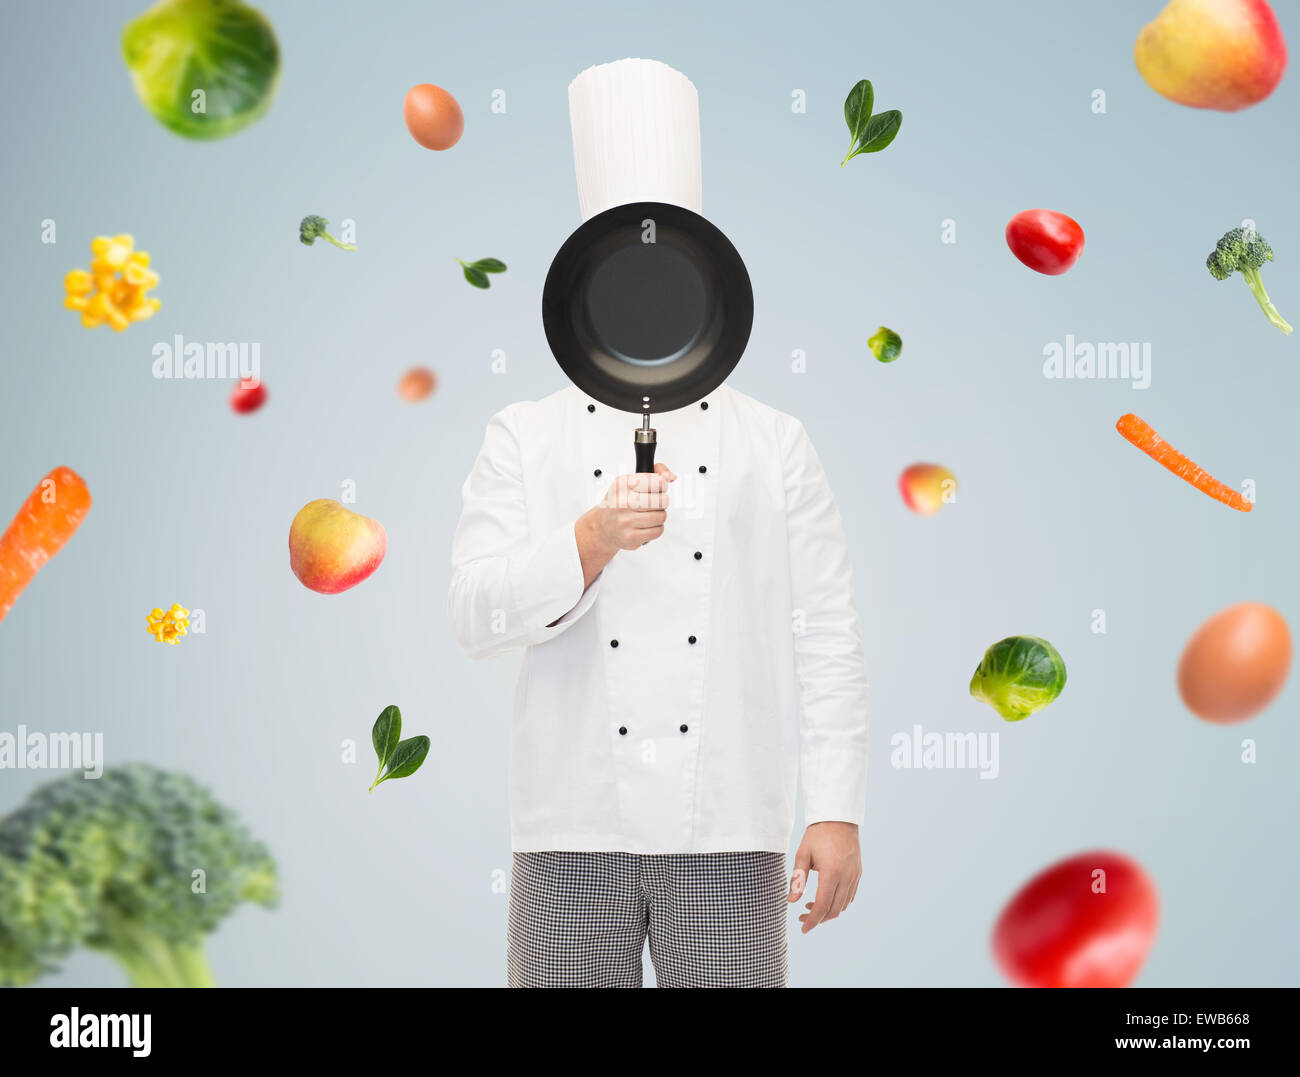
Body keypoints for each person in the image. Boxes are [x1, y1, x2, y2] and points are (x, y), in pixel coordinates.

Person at [448, 382, 870, 987]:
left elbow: (826, 630)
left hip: (731, 827)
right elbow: (472, 618)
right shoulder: (526, 431)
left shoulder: (775, 440)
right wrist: (592, 538)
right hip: (571, 823)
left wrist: (836, 810)